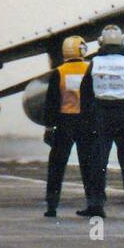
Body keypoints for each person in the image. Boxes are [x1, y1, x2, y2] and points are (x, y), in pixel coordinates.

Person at [79, 24, 124, 219]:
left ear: (101, 43)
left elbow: (85, 94)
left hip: (101, 116)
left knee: (97, 164)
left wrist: (87, 120)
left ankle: (96, 206)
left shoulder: (94, 64)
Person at [41, 35, 95, 218]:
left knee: (56, 166)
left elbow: (51, 102)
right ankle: (93, 204)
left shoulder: (59, 72)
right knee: (89, 166)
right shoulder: (90, 69)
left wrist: (49, 127)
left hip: (64, 123)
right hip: (86, 123)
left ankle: (51, 206)